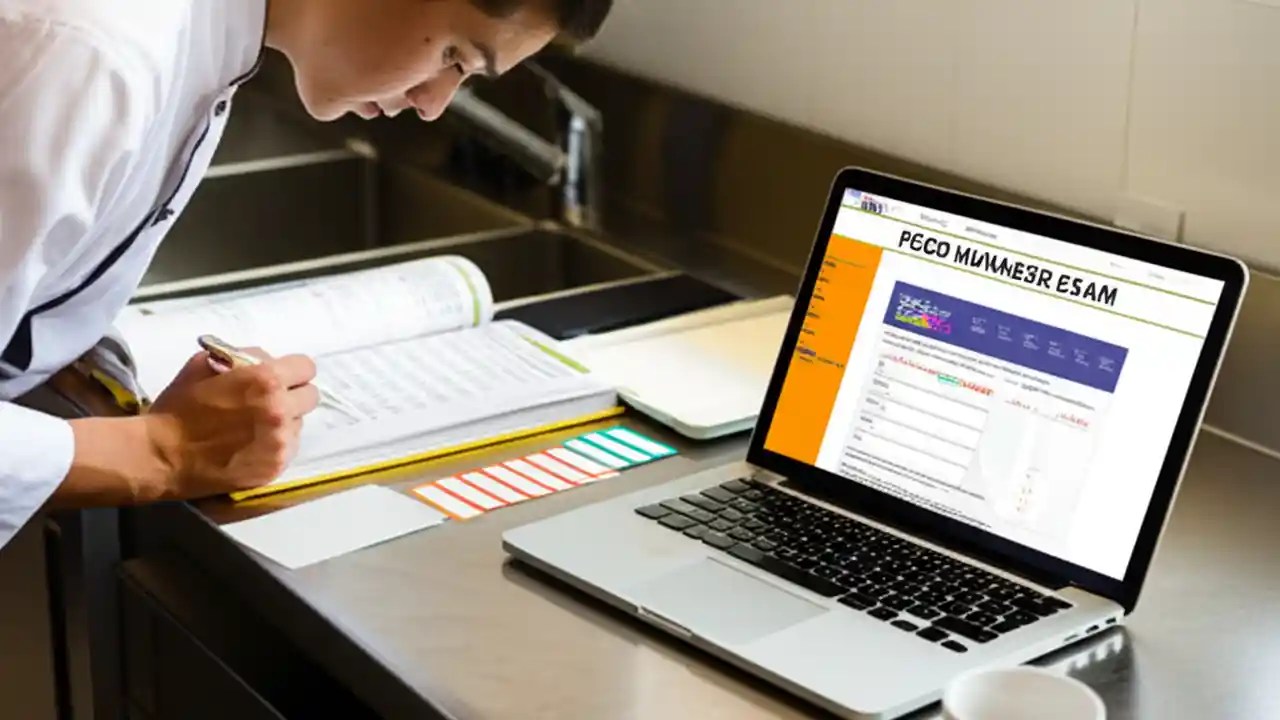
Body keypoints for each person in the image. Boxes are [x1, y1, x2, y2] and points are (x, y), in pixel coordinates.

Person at [0, 0, 614, 549]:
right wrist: (165, 451)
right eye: (455, 55)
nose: (433, 105)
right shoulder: (93, 51)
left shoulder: (202, 36)